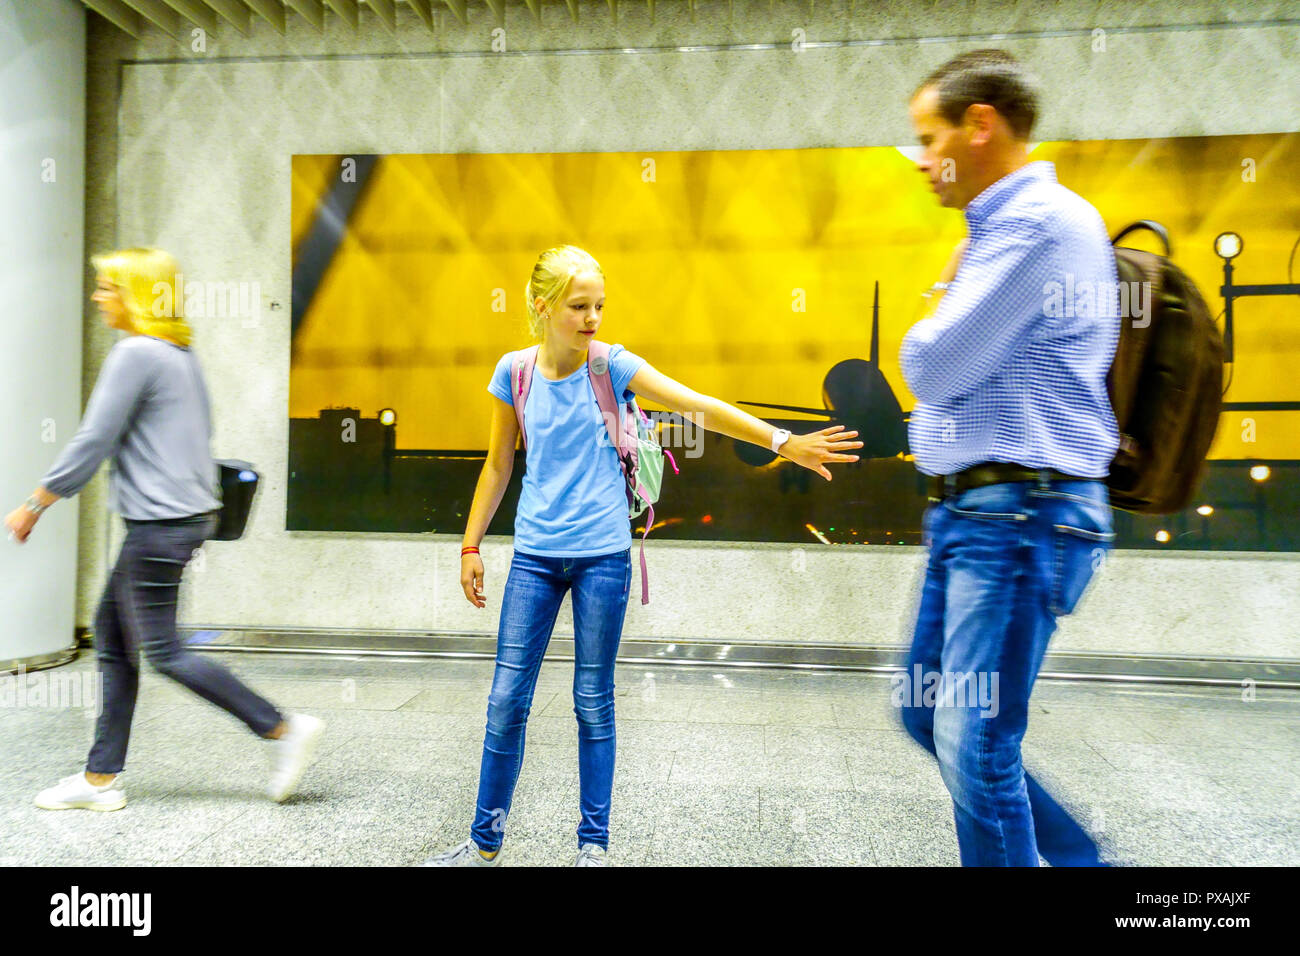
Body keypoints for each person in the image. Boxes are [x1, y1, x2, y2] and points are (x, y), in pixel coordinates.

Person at [424, 244, 862, 866]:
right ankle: (483, 842)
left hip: (603, 558)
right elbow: (498, 464)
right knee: (505, 700)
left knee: (592, 700)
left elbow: (698, 405)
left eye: (599, 305)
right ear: (543, 307)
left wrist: (781, 440)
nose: (593, 317)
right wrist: (471, 544)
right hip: (534, 560)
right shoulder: (514, 373)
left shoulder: (613, 366)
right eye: (579, 306)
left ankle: (593, 847)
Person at [897, 50, 1120, 866]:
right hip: (979, 514)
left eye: (929, 138)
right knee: (934, 717)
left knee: (972, 741)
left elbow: (934, 366)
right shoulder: (1007, 227)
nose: (923, 161)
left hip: (1020, 517)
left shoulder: (1034, 225)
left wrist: (937, 298)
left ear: (979, 124)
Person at [5, 247, 323, 812]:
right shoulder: (178, 354)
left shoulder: (136, 354)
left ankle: (281, 728)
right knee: (113, 636)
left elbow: (92, 440)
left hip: (160, 525)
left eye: (108, 287)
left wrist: (37, 500)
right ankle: (100, 779)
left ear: (136, 295)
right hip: (176, 520)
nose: (98, 297)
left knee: (165, 651)